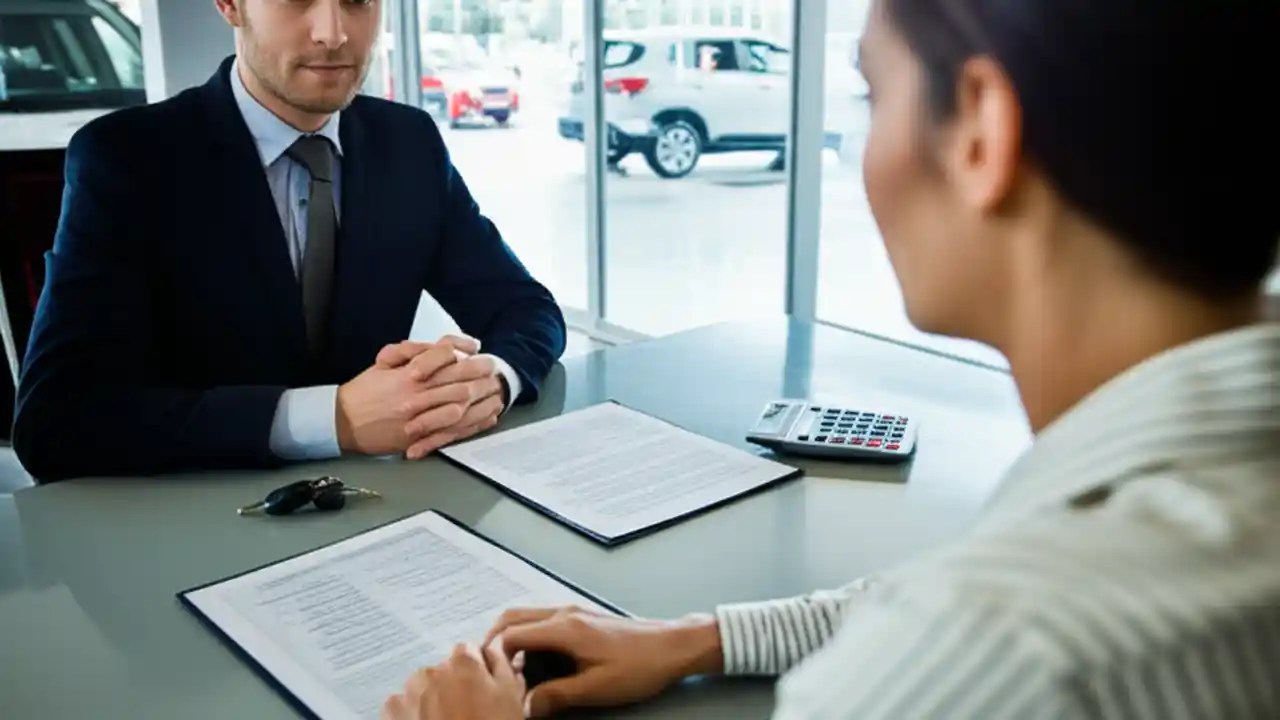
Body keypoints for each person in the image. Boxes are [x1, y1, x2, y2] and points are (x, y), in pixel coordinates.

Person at [382, 1, 1280, 718]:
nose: (861, 152)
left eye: (872, 97)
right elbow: (929, 594)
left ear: (981, 133)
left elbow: (969, 634)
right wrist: (701, 639)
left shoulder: (999, 650)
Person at [12, 0, 566, 481]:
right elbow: (56, 422)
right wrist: (335, 418)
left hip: (387, 513)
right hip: (195, 525)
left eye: (357, 0)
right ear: (230, 5)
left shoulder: (408, 142)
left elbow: (525, 308)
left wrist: (491, 381)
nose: (334, 32)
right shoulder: (129, 160)